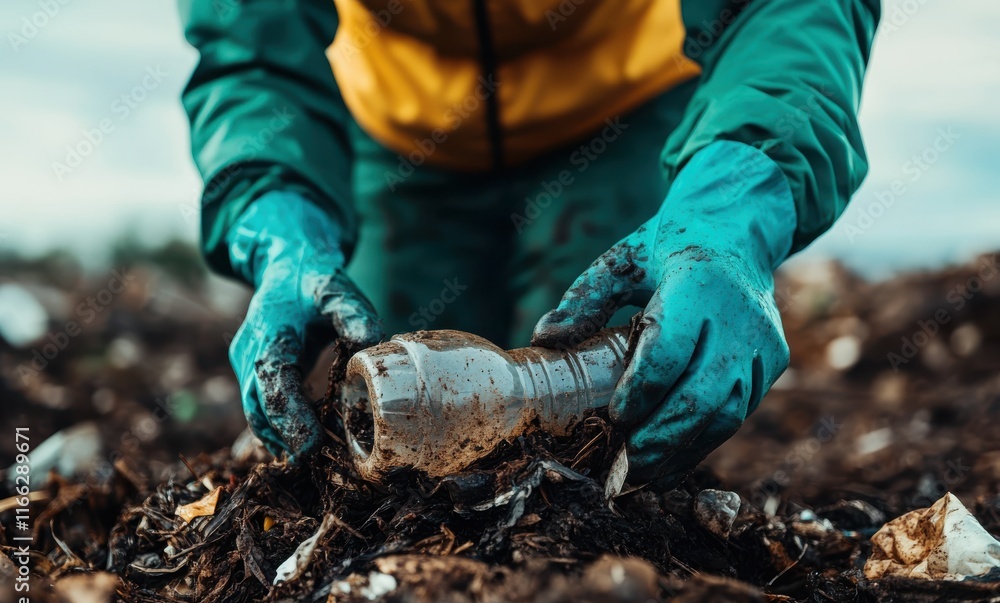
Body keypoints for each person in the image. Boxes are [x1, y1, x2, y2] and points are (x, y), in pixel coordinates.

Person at [180, 0, 879, 487]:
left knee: (616, 420)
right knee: (379, 402)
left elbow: (796, 6)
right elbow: (250, 41)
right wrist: (278, 221)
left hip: (618, 104)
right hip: (403, 124)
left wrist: (734, 201)